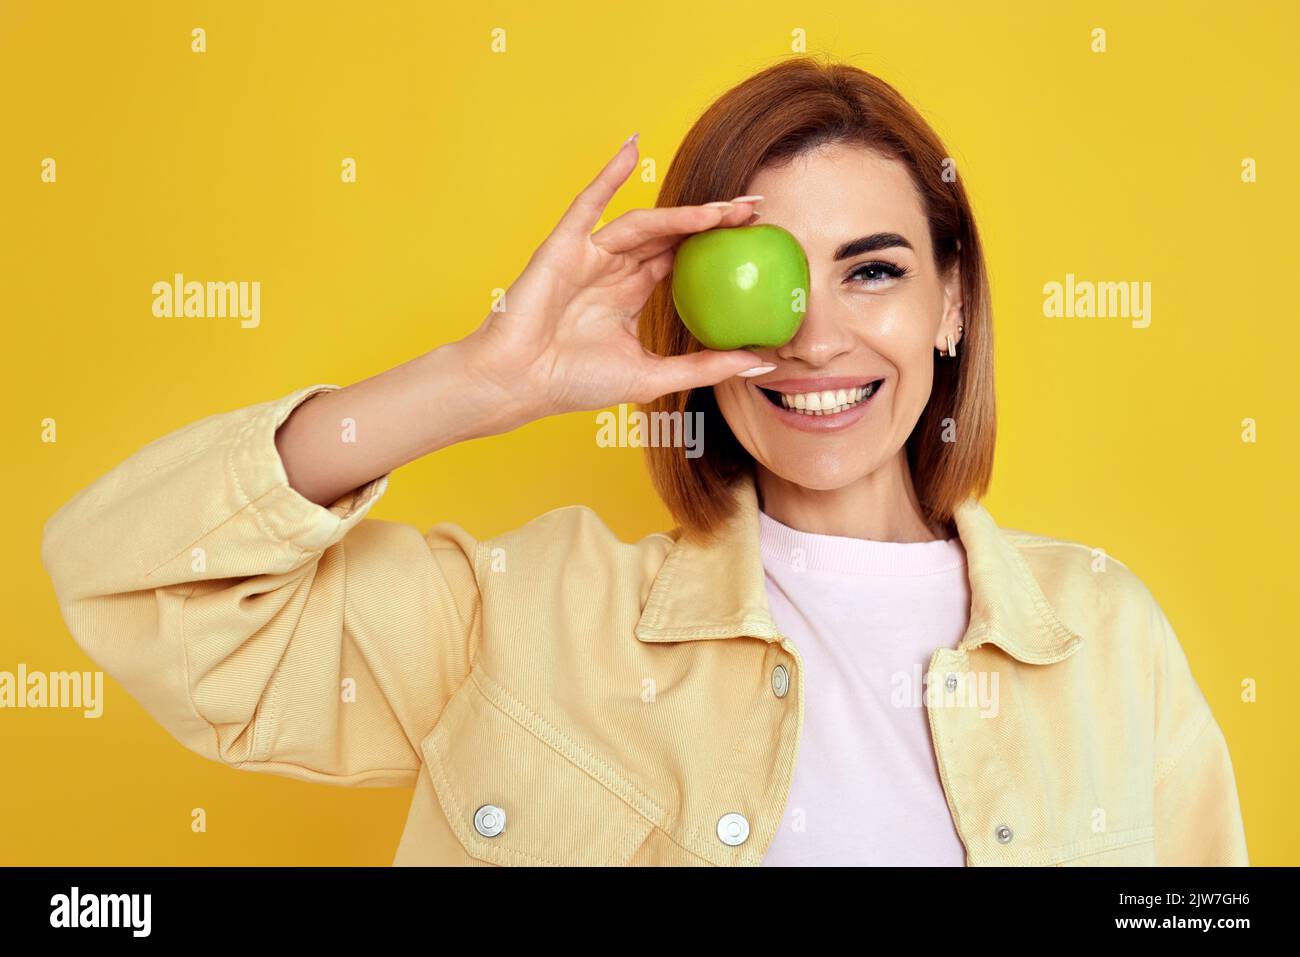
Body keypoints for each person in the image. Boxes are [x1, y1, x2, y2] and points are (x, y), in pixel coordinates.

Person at [41, 57, 1248, 866]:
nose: (815, 336)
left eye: (872, 270)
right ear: (696, 312)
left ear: (951, 303)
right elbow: (137, 581)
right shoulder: (529, 621)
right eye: (770, 279)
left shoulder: (1104, 637)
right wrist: (476, 383)